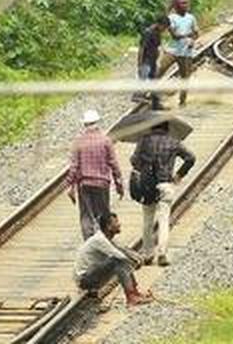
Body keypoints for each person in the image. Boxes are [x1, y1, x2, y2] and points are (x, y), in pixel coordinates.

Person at [130, 121, 196, 266]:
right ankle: (162, 253)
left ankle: (147, 254)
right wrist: (179, 175)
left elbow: (133, 160)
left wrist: (144, 167)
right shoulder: (173, 141)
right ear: (167, 127)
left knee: (147, 220)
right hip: (166, 184)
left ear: (152, 126)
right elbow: (191, 158)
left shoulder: (144, 141)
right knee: (164, 220)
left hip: (147, 186)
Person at [73, 211, 154, 306]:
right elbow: (118, 255)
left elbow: (123, 249)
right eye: (116, 222)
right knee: (117, 261)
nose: (119, 224)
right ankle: (131, 297)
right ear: (108, 226)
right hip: (84, 280)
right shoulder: (99, 240)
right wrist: (135, 262)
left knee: (121, 261)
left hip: (92, 275)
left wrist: (137, 257)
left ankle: (135, 293)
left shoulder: (107, 237)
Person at [67, 109, 124, 240]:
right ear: (97, 122)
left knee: (86, 216)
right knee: (103, 216)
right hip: (102, 184)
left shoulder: (78, 142)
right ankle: (102, 242)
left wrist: (70, 186)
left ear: (85, 124)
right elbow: (114, 164)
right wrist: (119, 184)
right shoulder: (105, 140)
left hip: (84, 184)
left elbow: (74, 166)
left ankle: (89, 243)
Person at [166, 0, 198, 106]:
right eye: (183, 3)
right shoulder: (171, 18)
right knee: (158, 70)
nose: (186, 5)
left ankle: (182, 101)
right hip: (172, 51)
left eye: (187, 3)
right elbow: (174, 35)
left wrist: (192, 40)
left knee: (185, 78)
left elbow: (196, 33)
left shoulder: (191, 18)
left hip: (186, 53)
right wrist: (187, 35)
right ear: (176, 5)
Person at [136, 17, 168, 109]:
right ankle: (137, 96)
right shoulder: (148, 33)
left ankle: (156, 104)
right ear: (159, 24)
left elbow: (158, 46)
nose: (164, 30)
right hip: (146, 60)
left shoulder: (157, 33)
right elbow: (141, 49)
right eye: (164, 27)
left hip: (153, 60)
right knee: (143, 78)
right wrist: (139, 63)